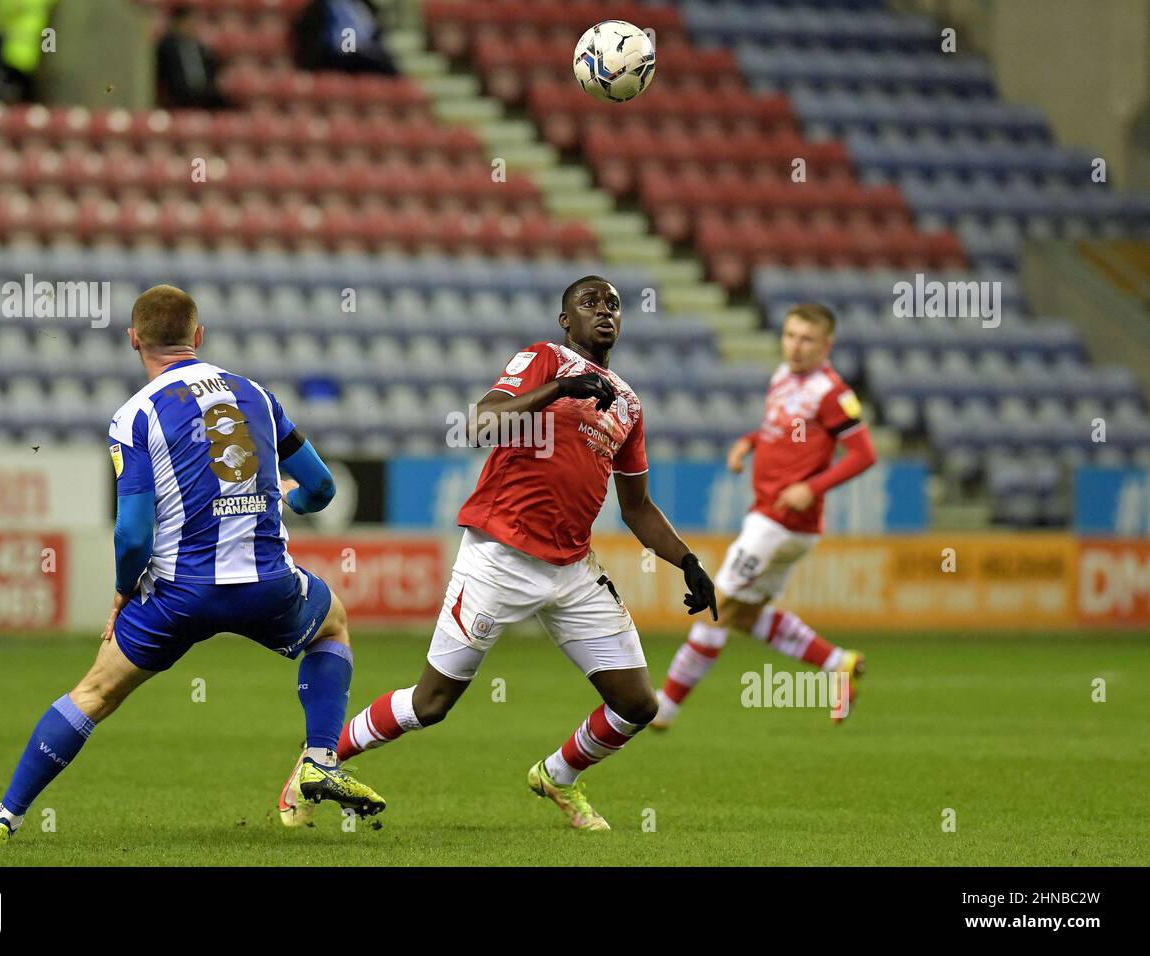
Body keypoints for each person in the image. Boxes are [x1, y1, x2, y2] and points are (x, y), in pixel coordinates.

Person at [278, 276, 719, 831]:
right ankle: (317, 764)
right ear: (566, 320)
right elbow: (481, 423)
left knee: (638, 704)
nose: (604, 312)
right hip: (499, 556)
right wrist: (561, 389)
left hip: (573, 569)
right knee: (431, 704)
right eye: (590, 303)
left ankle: (557, 775)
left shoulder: (627, 403)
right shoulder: (542, 360)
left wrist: (688, 561)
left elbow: (637, 507)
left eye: (613, 305)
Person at [0, 285, 385, 844]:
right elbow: (323, 487)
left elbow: (133, 533)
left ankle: (7, 817)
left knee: (94, 693)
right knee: (331, 622)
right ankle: (319, 758)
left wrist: (123, 593)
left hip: (179, 596)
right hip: (268, 586)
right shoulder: (254, 394)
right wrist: (290, 500)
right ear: (199, 335)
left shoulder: (134, 416)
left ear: (133, 339)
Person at [652, 303, 876, 729]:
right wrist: (749, 441)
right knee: (745, 615)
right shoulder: (783, 378)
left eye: (807, 339)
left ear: (827, 345)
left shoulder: (831, 393)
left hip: (779, 522)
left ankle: (667, 706)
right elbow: (781, 429)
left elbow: (864, 455)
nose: (796, 346)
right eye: (791, 335)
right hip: (777, 521)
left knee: (715, 604)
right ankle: (837, 662)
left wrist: (811, 488)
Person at [291, 0, 397, 75]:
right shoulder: (321, 7)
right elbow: (309, 37)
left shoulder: (365, 6)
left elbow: (375, 32)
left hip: (363, 54)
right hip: (333, 58)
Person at [155, 5, 230, 109]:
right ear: (178, 22)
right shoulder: (167, 46)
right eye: (189, 21)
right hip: (177, 98)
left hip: (203, 98)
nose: (192, 25)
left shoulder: (200, 47)